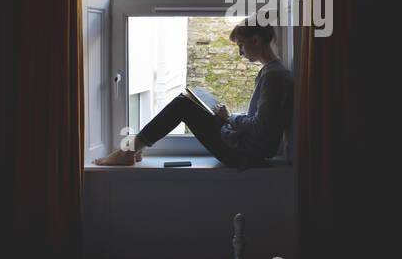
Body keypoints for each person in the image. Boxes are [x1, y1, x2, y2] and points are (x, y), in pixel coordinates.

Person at [94, 21, 294, 167]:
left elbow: (261, 127)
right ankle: (135, 148)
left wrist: (230, 117)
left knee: (183, 104)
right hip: (242, 144)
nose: (240, 52)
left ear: (256, 40)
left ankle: (127, 151)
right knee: (190, 99)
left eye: (241, 45)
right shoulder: (271, 71)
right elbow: (261, 121)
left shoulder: (274, 76)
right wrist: (229, 117)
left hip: (242, 153)